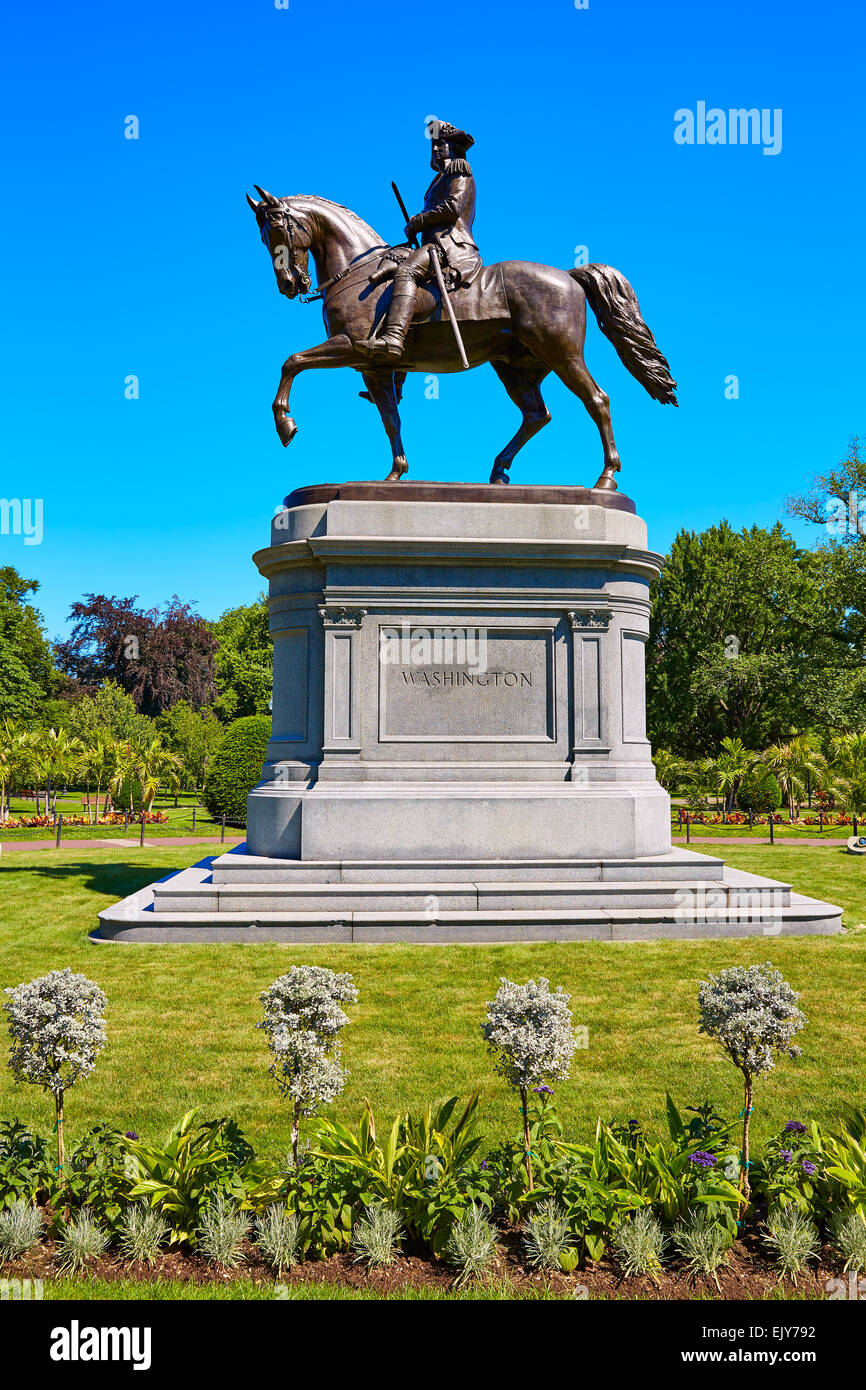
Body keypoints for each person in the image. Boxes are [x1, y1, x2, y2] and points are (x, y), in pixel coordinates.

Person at [360, 122, 481, 359]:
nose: (435, 149)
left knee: (406, 271)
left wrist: (418, 221)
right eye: (433, 145)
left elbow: (452, 207)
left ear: (454, 147)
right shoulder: (440, 177)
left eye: (440, 144)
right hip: (435, 243)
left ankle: (394, 337)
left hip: (450, 244)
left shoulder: (459, 168)